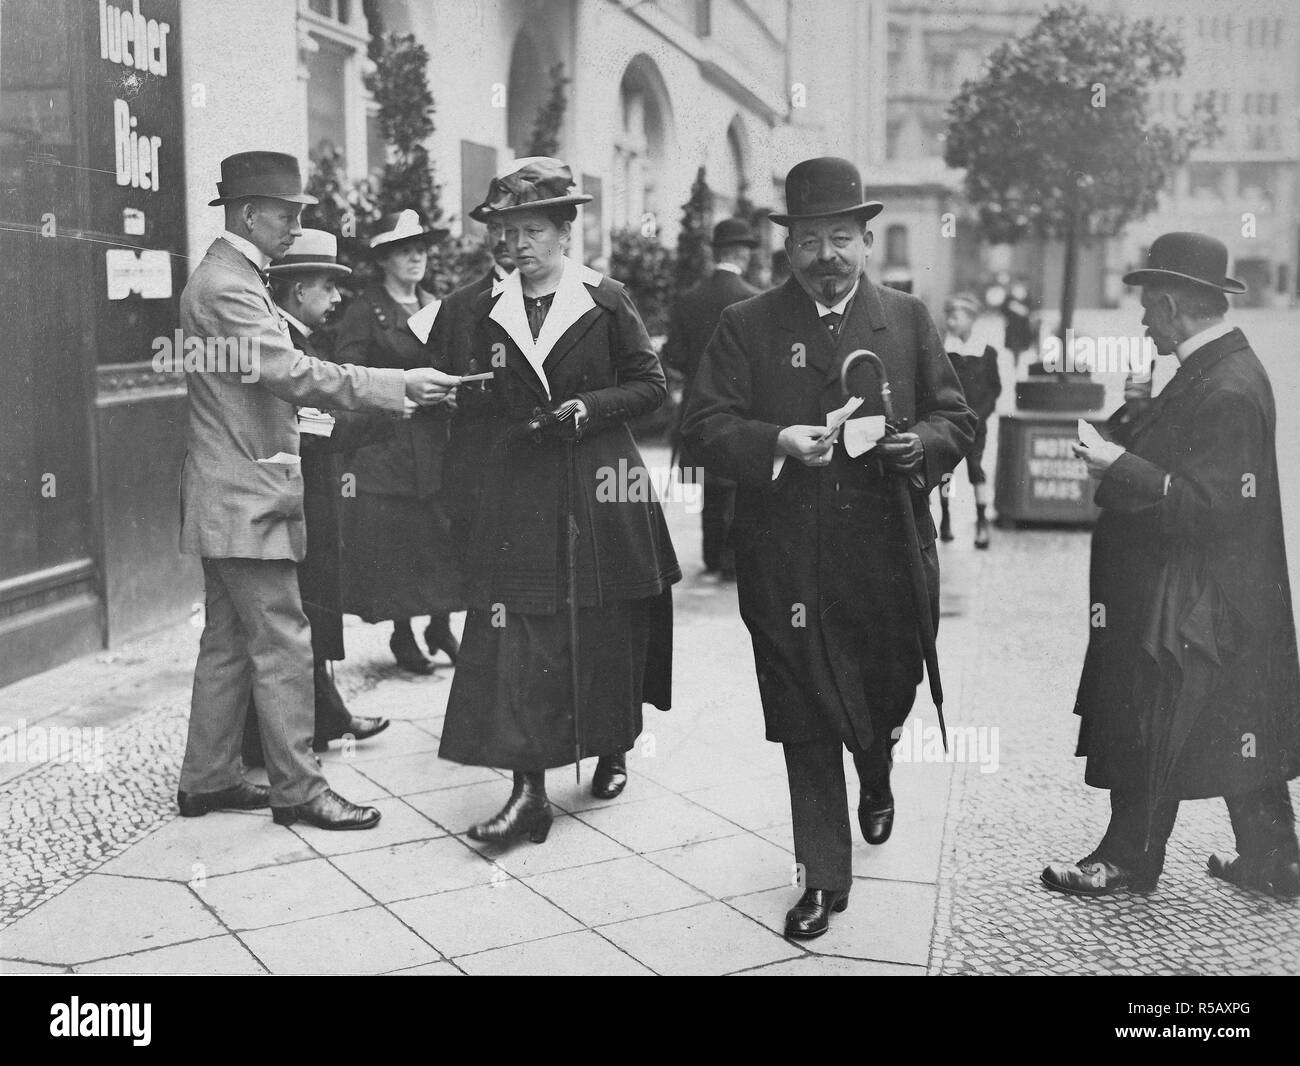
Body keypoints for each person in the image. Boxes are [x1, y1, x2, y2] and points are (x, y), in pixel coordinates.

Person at [682, 156, 974, 939]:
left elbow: (956, 415)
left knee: (887, 691)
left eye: (841, 238)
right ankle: (822, 876)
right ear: (788, 246)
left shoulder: (907, 319)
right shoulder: (747, 324)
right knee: (805, 711)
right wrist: (774, 440)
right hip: (786, 560)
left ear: (867, 239)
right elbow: (700, 427)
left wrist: (925, 448)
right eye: (809, 241)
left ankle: (876, 768)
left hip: (886, 556)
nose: (826, 257)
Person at [176, 151, 456, 830]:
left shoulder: (233, 277)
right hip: (248, 497)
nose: (294, 226)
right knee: (283, 642)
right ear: (248, 213)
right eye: (286, 214)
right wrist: (395, 385)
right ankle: (298, 790)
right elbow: (292, 373)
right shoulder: (229, 286)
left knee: (228, 640)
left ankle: (207, 779)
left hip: (234, 493)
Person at [1043, 232, 1300, 901]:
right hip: (1220, 599)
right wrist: (1139, 416)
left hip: (1188, 601)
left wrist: (1118, 465)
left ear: (1175, 304)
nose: (1143, 320)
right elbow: (1193, 461)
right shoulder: (1215, 371)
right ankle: (1277, 862)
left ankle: (1127, 859)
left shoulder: (1226, 388)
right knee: (1236, 722)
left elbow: (1213, 507)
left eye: (1148, 309)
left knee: (1153, 718)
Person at [438, 158, 680, 838]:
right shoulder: (483, 311)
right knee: (519, 632)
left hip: (600, 488)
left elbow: (651, 386)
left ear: (567, 230)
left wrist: (589, 407)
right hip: (519, 493)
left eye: (535, 230)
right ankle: (529, 791)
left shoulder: (606, 300)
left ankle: (613, 744)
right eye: (508, 232)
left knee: (604, 625)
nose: (519, 246)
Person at [241, 229, 394, 768]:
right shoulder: (286, 345)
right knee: (298, 612)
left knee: (312, 608)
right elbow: (313, 429)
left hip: (310, 495)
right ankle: (284, 735)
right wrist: (384, 420)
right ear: (299, 288)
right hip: (292, 498)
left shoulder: (300, 339)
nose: (335, 299)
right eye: (328, 287)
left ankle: (322, 715)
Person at [336, 210, 464, 675]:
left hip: (434, 445)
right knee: (400, 544)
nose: (416, 257)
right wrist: (389, 401)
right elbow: (344, 378)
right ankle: (404, 633)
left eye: (421, 248)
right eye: (404, 249)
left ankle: (441, 625)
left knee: (442, 536)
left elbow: (453, 366)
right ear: (385, 259)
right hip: (385, 450)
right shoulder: (364, 311)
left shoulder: (436, 306)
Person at [661, 218, 760, 580]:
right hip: (739, 403)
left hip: (696, 403)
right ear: (740, 254)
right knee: (735, 479)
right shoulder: (752, 297)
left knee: (708, 478)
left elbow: (671, 355)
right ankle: (733, 558)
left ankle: (712, 555)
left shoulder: (689, 299)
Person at [939, 292, 1001, 548]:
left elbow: (994, 388)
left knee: (976, 470)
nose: (951, 322)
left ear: (970, 319)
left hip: (976, 423)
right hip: (949, 424)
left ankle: (981, 521)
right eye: (949, 317)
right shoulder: (944, 351)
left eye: (956, 317)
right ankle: (945, 518)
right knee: (945, 474)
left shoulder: (986, 352)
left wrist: (981, 414)